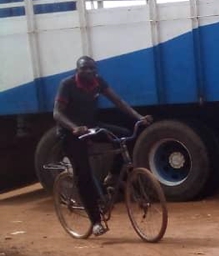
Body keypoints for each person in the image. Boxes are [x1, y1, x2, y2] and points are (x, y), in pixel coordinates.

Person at [53, 56, 152, 237]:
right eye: (85, 69)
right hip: (70, 134)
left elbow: (118, 101)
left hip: (91, 127)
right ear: (77, 71)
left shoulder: (97, 82)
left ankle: (113, 175)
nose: (89, 72)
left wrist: (139, 117)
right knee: (83, 175)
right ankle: (96, 222)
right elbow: (57, 113)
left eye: (92, 69)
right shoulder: (67, 85)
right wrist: (74, 128)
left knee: (124, 136)